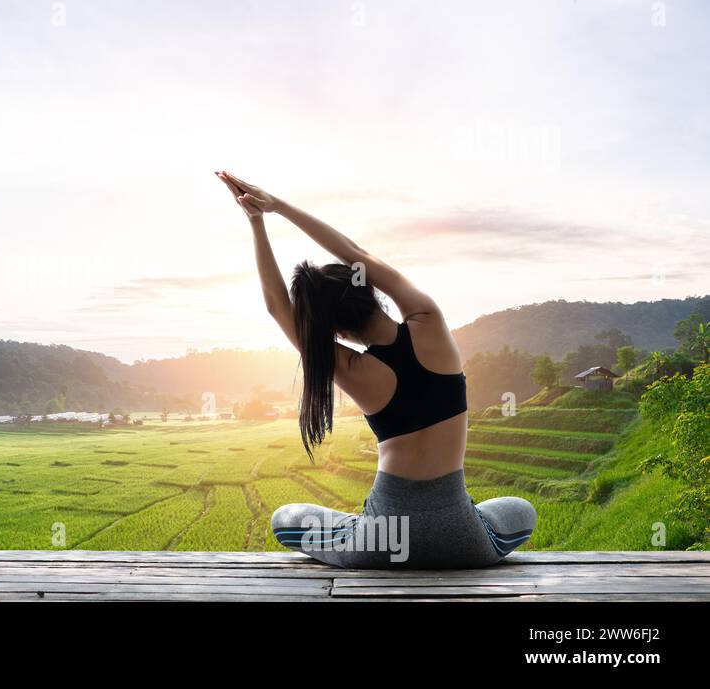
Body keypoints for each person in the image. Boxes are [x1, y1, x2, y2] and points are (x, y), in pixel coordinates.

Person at [217, 171, 535, 568]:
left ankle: (358, 525)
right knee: (521, 508)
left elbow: (277, 306)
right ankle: (391, 525)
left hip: (381, 540)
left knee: (286, 520)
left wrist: (256, 222)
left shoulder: (352, 367)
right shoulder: (428, 320)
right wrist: (276, 206)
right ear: (369, 289)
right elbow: (355, 253)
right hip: (463, 540)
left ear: (337, 331)